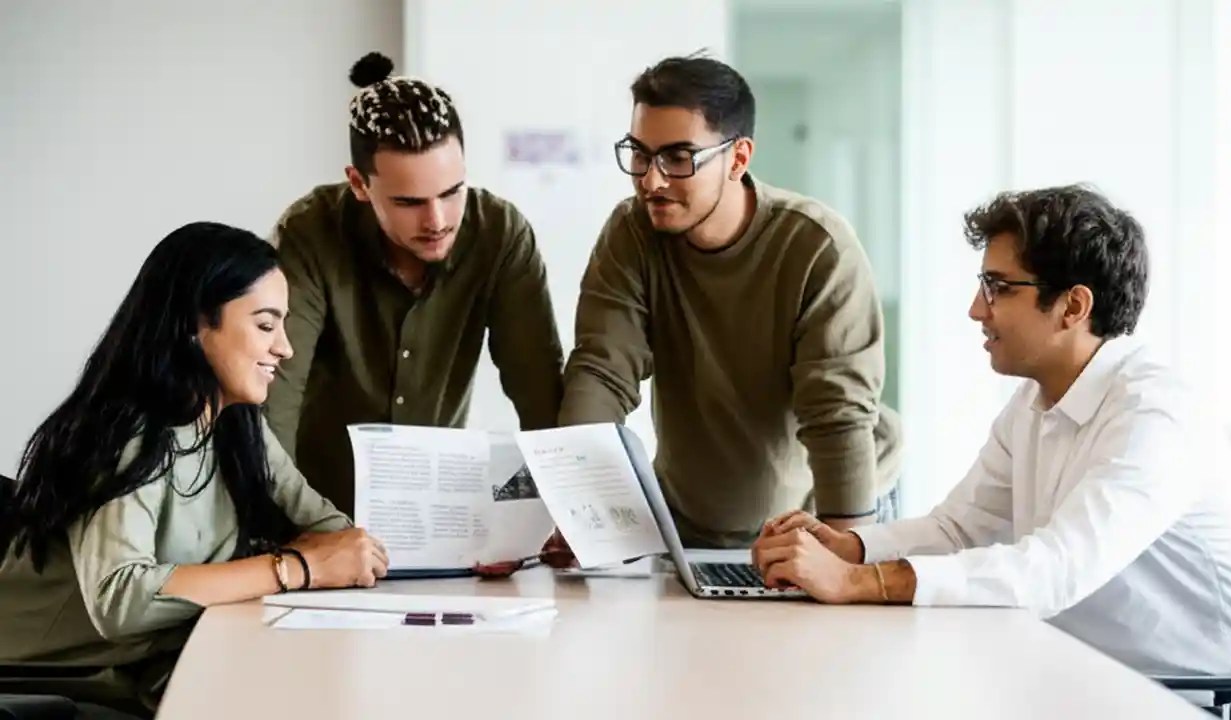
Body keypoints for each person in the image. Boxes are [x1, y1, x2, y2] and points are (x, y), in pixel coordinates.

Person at [752, 185, 1231, 675]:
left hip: (1197, 696)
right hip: (1077, 672)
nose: (976, 309)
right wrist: (851, 548)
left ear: (1073, 306)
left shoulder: (1157, 412)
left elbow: (1056, 569)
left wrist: (855, 583)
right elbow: (957, 530)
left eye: (998, 287)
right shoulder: (1034, 400)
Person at [0, 222, 389, 714]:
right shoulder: (129, 431)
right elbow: (120, 598)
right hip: (45, 683)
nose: (285, 348)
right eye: (266, 325)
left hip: (155, 665)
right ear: (195, 324)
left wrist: (333, 556)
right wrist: (298, 567)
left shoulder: (237, 424)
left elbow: (330, 533)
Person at [553, 54, 902, 553]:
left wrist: (846, 553)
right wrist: (577, 506)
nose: (651, 180)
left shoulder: (817, 248)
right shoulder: (633, 233)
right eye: (640, 154)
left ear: (738, 159)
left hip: (826, 506)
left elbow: (837, 415)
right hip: (692, 515)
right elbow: (603, 371)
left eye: (678, 158)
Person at [263, 52, 564, 516]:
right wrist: (285, 527)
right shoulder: (310, 234)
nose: (438, 221)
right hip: (314, 509)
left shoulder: (501, 235)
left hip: (440, 514)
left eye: (452, 192)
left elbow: (539, 388)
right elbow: (272, 398)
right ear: (359, 185)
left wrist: (562, 511)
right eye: (409, 202)